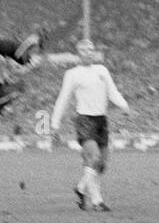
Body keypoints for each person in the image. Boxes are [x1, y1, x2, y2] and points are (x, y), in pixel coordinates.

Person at [51, 40, 130, 211]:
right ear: (78, 54)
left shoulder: (102, 70)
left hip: (101, 120)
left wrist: (124, 105)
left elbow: (112, 91)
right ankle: (97, 202)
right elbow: (63, 99)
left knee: (101, 165)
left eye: (91, 49)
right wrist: (54, 124)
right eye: (84, 50)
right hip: (85, 121)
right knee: (93, 158)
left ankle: (80, 188)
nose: (88, 52)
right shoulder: (72, 74)